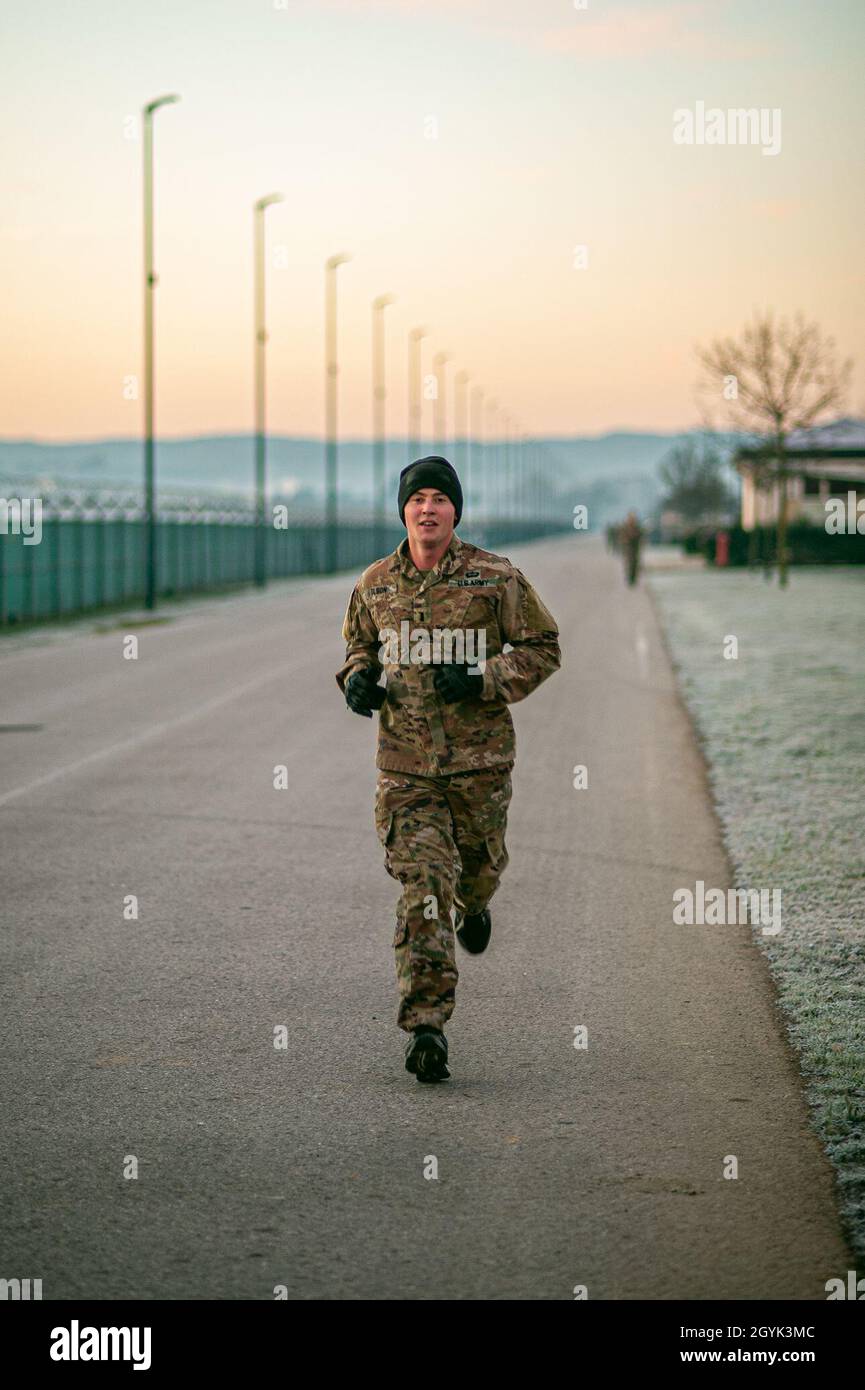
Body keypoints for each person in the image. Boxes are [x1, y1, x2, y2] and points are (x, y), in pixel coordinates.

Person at [335, 456, 561, 1083]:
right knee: (422, 886)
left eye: (439, 498)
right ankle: (426, 1027)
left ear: (455, 511)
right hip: (406, 771)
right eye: (417, 500)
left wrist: (486, 678)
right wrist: (356, 680)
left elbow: (544, 647)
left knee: (477, 871)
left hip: (479, 767)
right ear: (403, 511)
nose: (427, 509)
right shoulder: (375, 584)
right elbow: (358, 645)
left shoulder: (495, 578)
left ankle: (477, 903)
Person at [618, 510, 644, 586]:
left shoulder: (637, 526)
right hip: (628, 547)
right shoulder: (625, 526)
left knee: (635, 564)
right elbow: (622, 536)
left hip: (636, 547)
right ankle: (629, 578)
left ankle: (634, 578)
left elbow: (641, 536)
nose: (632, 519)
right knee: (629, 563)